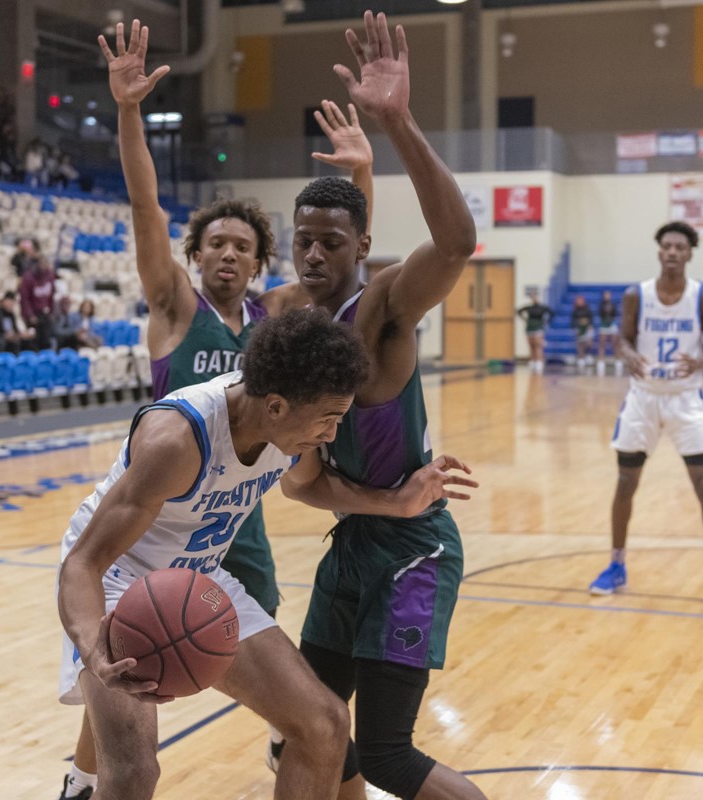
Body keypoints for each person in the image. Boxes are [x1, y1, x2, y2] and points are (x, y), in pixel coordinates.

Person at [54, 20, 377, 797]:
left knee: (320, 722)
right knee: (133, 764)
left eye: (243, 246)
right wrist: (130, 112)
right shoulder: (174, 309)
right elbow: (145, 205)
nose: (228, 255)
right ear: (198, 256)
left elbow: (346, 272)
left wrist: (360, 176)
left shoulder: (283, 330)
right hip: (140, 540)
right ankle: (82, 775)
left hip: (223, 531)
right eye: (216, 245)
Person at [57, 308, 478, 800]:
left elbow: (309, 486)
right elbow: (83, 562)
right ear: (276, 406)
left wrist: (396, 503)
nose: (331, 434)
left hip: (198, 578)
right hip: (120, 579)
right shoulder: (177, 439)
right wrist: (92, 647)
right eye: (328, 420)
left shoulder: (288, 429)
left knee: (324, 723)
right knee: (133, 771)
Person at [258, 13, 489, 799]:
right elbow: (301, 482)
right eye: (302, 241)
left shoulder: (387, 305)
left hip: (417, 549)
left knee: (387, 753)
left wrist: (396, 124)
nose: (315, 253)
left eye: (331, 240)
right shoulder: (289, 319)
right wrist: (382, 506)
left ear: (361, 245)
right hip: (359, 540)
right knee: (308, 727)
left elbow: (457, 242)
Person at [589, 221, 703, 610]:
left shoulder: (702, 297)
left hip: (686, 397)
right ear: (659, 252)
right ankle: (616, 564)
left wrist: (700, 362)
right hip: (643, 397)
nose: (672, 252)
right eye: (667, 246)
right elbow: (622, 338)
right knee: (625, 482)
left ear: (689, 253)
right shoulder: (635, 295)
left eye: (680, 247)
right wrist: (627, 354)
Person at [20, 254, 57, 350]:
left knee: (46, 339)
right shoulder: (28, 278)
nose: (44, 266)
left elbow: (51, 296)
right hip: (33, 313)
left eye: (46, 264)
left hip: (45, 313)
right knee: (34, 340)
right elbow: (24, 299)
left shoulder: (50, 276)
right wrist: (30, 314)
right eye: (42, 263)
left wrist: (52, 312)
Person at [517, 294, 554, 374]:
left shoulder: (542, 308)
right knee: (531, 345)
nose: (534, 299)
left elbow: (552, 313)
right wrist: (525, 319)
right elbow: (519, 311)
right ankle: (533, 361)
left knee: (538, 345)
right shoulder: (529, 307)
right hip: (530, 327)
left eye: (536, 298)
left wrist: (546, 321)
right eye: (533, 298)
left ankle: (539, 362)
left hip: (538, 328)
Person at [596, 289, 620, 376]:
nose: (607, 296)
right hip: (604, 324)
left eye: (608, 295)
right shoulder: (601, 305)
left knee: (615, 342)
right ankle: (601, 361)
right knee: (602, 343)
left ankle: (618, 361)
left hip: (612, 324)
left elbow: (616, 313)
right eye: (606, 295)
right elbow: (599, 313)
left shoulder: (613, 304)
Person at [571, 294, 595, 370]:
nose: (580, 302)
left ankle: (588, 355)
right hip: (579, 329)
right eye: (578, 301)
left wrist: (589, 325)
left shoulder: (587, 310)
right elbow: (572, 322)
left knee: (589, 343)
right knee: (580, 344)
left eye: (581, 300)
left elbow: (591, 319)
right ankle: (581, 358)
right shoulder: (575, 311)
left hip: (587, 328)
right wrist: (577, 327)